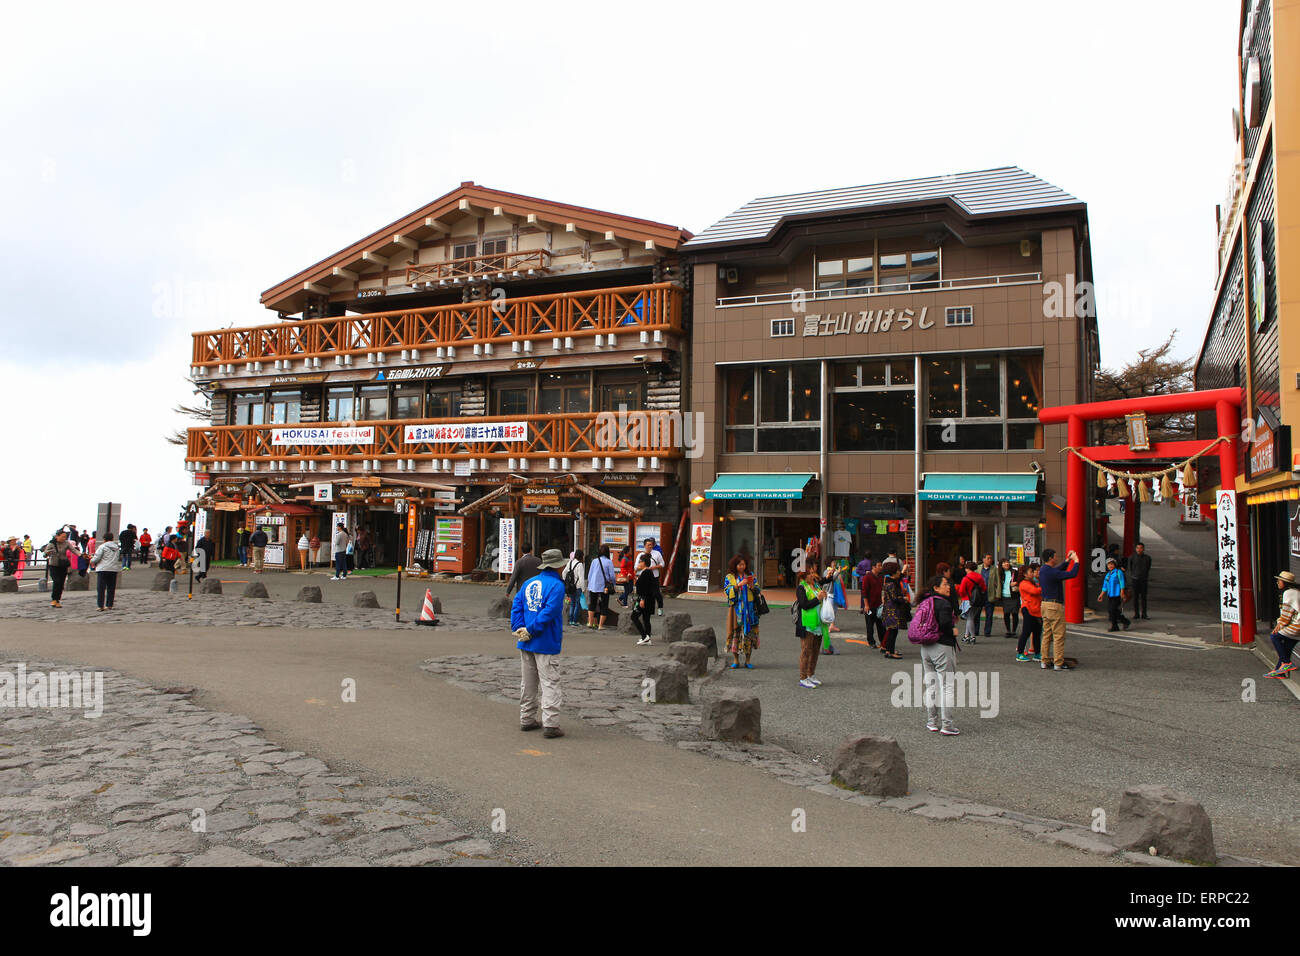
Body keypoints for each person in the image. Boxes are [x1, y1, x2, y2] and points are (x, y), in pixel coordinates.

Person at [510, 547, 567, 739]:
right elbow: (550, 612)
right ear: (559, 566)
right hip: (546, 641)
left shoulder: (528, 583)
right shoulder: (557, 586)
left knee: (528, 683)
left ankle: (526, 718)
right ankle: (550, 723)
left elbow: (517, 605)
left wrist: (520, 628)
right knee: (550, 682)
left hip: (525, 642)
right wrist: (532, 629)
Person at [915, 575, 960, 735]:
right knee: (947, 686)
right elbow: (946, 623)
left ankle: (932, 722)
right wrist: (953, 630)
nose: (949, 587)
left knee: (931, 684)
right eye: (945, 584)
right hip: (942, 646)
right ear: (936, 587)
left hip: (926, 647)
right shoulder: (943, 604)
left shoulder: (926, 602)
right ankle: (947, 725)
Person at [1038, 548, 1080, 670]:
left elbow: (1058, 569)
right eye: (1055, 556)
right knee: (1058, 635)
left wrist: (1067, 560)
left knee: (1046, 634)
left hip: (1044, 605)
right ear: (1051, 558)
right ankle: (1058, 662)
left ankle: (1044, 661)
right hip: (1054, 606)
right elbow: (1072, 574)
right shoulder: (1052, 572)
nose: (1057, 558)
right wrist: (1076, 561)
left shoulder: (1044, 570)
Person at [723, 555, 761, 668]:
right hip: (736, 610)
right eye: (739, 565)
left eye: (744, 564)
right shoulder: (730, 577)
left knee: (749, 634)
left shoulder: (750, 576)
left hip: (750, 610)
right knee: (736, 633)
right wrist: (737, 586)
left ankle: (748, 661)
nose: (742, 567)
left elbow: (758, 590)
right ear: (734, 565)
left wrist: (752, 586)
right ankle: (735, 660)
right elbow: (726, 591)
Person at [794, 568, 827, 688]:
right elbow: (804, 605)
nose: (812, 575)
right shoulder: (801, 588)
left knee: (815, 651)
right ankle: (803, 678)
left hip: (818, 623)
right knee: (806, 651)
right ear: (803, 576)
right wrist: (817, 599)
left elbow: (820, 600)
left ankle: (811, 674)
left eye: (813, 572)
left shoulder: (816, 586)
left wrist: (823, 596)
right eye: (809, 573)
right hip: (807, 624)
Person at [1266, 570, 1300, 679]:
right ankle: (1279, 671)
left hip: (1297, 626)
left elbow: (1287, 614)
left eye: (1279, 581)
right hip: (1297, 626)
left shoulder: (1288, 593)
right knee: (1286, 648)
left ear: (1284, 583)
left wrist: (1279, 625)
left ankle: (1286, 663)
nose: (1277, 583)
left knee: (1274, 636)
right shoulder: (1295, 592)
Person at [879, 563, 909, 660]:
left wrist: (904, 570)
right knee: (893, 631)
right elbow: (895, 598)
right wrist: (904, 598)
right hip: (893, 611)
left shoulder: (889, 581)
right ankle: (890, 652)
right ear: (894, 572)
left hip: (889, 610)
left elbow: (900, 577)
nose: (899, 572)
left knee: (892, 631)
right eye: (898, 570)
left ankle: (888, 650)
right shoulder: (892, 583)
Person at [586, 544, 617, 631]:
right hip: (604, 587)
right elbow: (612, 576)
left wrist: (590, 583)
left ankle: (590, 623)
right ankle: (600, 625)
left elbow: (589, 575)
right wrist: (614, 584)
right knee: (604, 605)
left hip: (593, 585)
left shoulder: (594, 561)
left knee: (592, 604)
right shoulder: (609, 562)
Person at [1016, 564, 1043, 662]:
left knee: (1037, 632)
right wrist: (1044, 586)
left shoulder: (1031, 582)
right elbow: (1035, 591)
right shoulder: (1024, 583)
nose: (1033, 573)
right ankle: (1020, 653)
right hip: (1028, 609)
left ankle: (1037, 653)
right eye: (1031, 572)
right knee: (1026, 632)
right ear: (1025, 574)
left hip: (1036, 609)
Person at [41, 531, 75, 608]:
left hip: (63, 565)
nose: (64, 538)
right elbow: (45, 554)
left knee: (61, 583)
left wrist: (81, 555)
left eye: (65, 537)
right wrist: (48, 553)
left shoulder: (66, 543)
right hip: (53, 565)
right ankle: (54, 599)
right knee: (57, 581)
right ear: (57, 536)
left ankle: (57, 600)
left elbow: (73, 550)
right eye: (62, 537)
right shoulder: (52, 543)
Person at [956, 561, 986, 644]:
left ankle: (972, 636)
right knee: (971, 617)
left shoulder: (966, 578)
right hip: (977, 600)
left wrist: (963, 597)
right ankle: (966, 635)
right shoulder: (979, 577)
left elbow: (961, 590)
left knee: (970, 618)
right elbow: (983, 588)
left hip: (967, 600)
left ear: (967, 569)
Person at [91, 531, 122, 611]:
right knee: (111, 588)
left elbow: (97, 557)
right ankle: (109, 605)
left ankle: (100, 605)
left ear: (104, 539)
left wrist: (91, 560)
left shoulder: (102, 547)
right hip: (113, 569)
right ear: (112, 539)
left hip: (103, 569)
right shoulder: (117, 547)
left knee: (101, 588)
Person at [1098, 557, 1131, 632]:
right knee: (1111, 610)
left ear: (1115, 565)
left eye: (1111, 564)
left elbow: (1122, 583)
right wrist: (1101, 595)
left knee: (1113, 610)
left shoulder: (1118, 572)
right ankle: (1122, 622)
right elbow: (1105, 586)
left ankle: (1117, 624)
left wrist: (1122, 592)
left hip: (1117, 595)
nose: (1110, 566)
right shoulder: (1108, 575)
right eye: (1108, 565)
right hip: (1110, 595)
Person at [632, 552, 657, 646]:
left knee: (634, 617)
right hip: (649, 599)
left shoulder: (646, 572)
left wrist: (642, 599)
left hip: (644, 599)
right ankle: (647, 637)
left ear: (644, 562)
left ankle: (644, 636)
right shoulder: (647, 572)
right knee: (646, 619)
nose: (638, 563)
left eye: (640, 561)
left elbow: (644, 588)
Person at [860, 561, 885, 649]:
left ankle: (883, 641)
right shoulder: (867, 577)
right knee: (870, 624)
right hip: (869, 606)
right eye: (879, 566)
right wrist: (866, 605)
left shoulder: (880, 577)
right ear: (873, 567)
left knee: (881, 625)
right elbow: (864, 592)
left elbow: (881, 590)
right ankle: (871, 642)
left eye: (881, 565)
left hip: (878, 605)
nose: (881, 567)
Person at [1126, 542, 1152, 620]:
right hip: (1135, 579)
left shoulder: (1147, 558)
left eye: (1141, 548)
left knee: (1144, 597)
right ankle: (1136, 613)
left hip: (1144, 579)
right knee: (1135, 597)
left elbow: (1148, 568)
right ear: (1135, 549)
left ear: (1143, 549)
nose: (1139, 549)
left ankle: (1144, 614)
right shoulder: (1132, 557)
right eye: (1138, 548)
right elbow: (1130, 567)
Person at [563, 550, 586, 626]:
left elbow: (564, 573)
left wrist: (566, 582)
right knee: (577, 604)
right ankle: (575, 621)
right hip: (578, 587)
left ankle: (571, 620)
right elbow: (581, 578)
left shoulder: (570, 562)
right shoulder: (580, 565)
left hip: (570, 587)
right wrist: (583, 589)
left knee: (572, 603)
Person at [643, 538, 665, 615]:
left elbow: (662, 564)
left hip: (654, 576)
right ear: (644, 545)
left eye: (651, 545)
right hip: (644, 577)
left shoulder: (657, 553)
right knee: (645, 594)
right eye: (648, 545)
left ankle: (660, 609)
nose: (650, 546)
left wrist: (654, 567)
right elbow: (636, 566)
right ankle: (648, 610)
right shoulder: (641, 554)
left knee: (656, 593)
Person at [999, 558, 1020, 637]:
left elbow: (1021, 580)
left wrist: (1016, 582)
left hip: (1014, 596)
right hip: (1005, 596)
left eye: (1007, 562)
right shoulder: (1000, 573)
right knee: (1006, 614)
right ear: (1001, 565)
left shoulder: (1015, 572)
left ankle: (1014, 631)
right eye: (1004, 562)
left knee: (1015, 614)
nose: (1006, 564)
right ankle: (1008, 631)